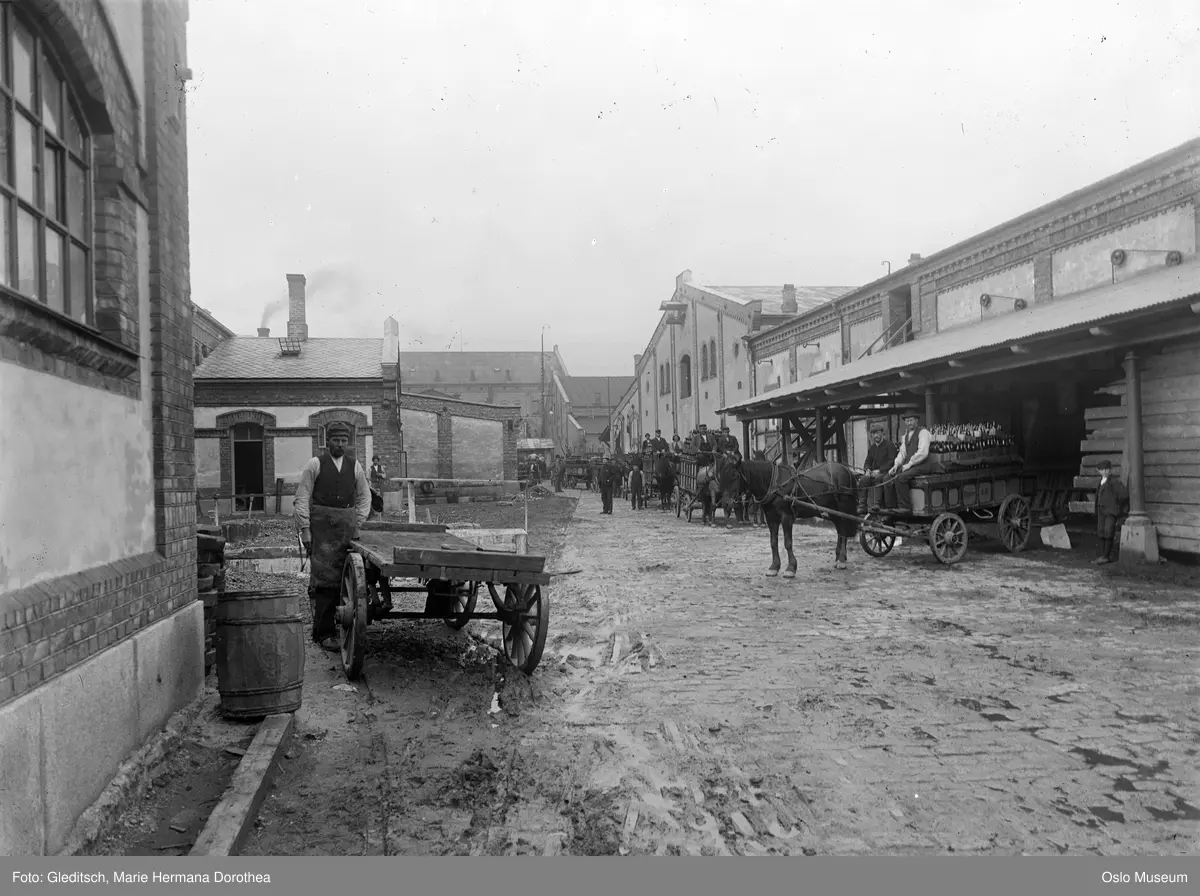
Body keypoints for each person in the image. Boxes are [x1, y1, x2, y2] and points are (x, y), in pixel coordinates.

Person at [294, 422, 372, 651]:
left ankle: (342, 623)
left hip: (345, 530)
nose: (340, 444)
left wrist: (356, 523)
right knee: (324, 582)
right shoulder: (315, 464)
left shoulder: (354, 466)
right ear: (327, 441)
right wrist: (305, 530)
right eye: (336, 440)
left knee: (346, 578)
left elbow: (365, 496)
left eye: (344, 441)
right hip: (322, 530)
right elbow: (302, 497)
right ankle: (323, 633)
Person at [883, 412, 934, 513]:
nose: (909, 423)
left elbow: (923, 452)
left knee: (901, 478)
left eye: (911, 420)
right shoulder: (905, 435)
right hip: (911, 466)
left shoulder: (923, 432)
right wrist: (896, 465)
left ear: (916, 420)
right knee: (887, 478)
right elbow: (902, 453)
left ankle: (905, 507)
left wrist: (909, 464)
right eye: (907, 421)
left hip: (923, 465)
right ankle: (891, 508)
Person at [1093, 459, 1129, 565]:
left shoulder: (1114, 481)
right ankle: (1103, 555)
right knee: (1101, 531)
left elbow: (1124, 495)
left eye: (1107, 469)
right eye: (1102, 470)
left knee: (1108, 531)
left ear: (1110, 470)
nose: (1105, 472)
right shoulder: (1100, 482)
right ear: (1098, 471)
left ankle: (1106, 556)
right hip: (1101, 510)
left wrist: (1116, 505)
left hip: (1110, 511)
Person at [856, 424, 896, 514]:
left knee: (878, 478)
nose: (875, 436)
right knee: (863, 480)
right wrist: (867, 470)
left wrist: (879, 470)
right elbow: (867, 462)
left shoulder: (889, 445)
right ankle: (862, 506)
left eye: (877, 433)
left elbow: (892, 461)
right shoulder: (872, 448)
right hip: (874, 472)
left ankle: (877, 504)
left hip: (887, 472)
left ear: (882, 433)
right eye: (873, 434)